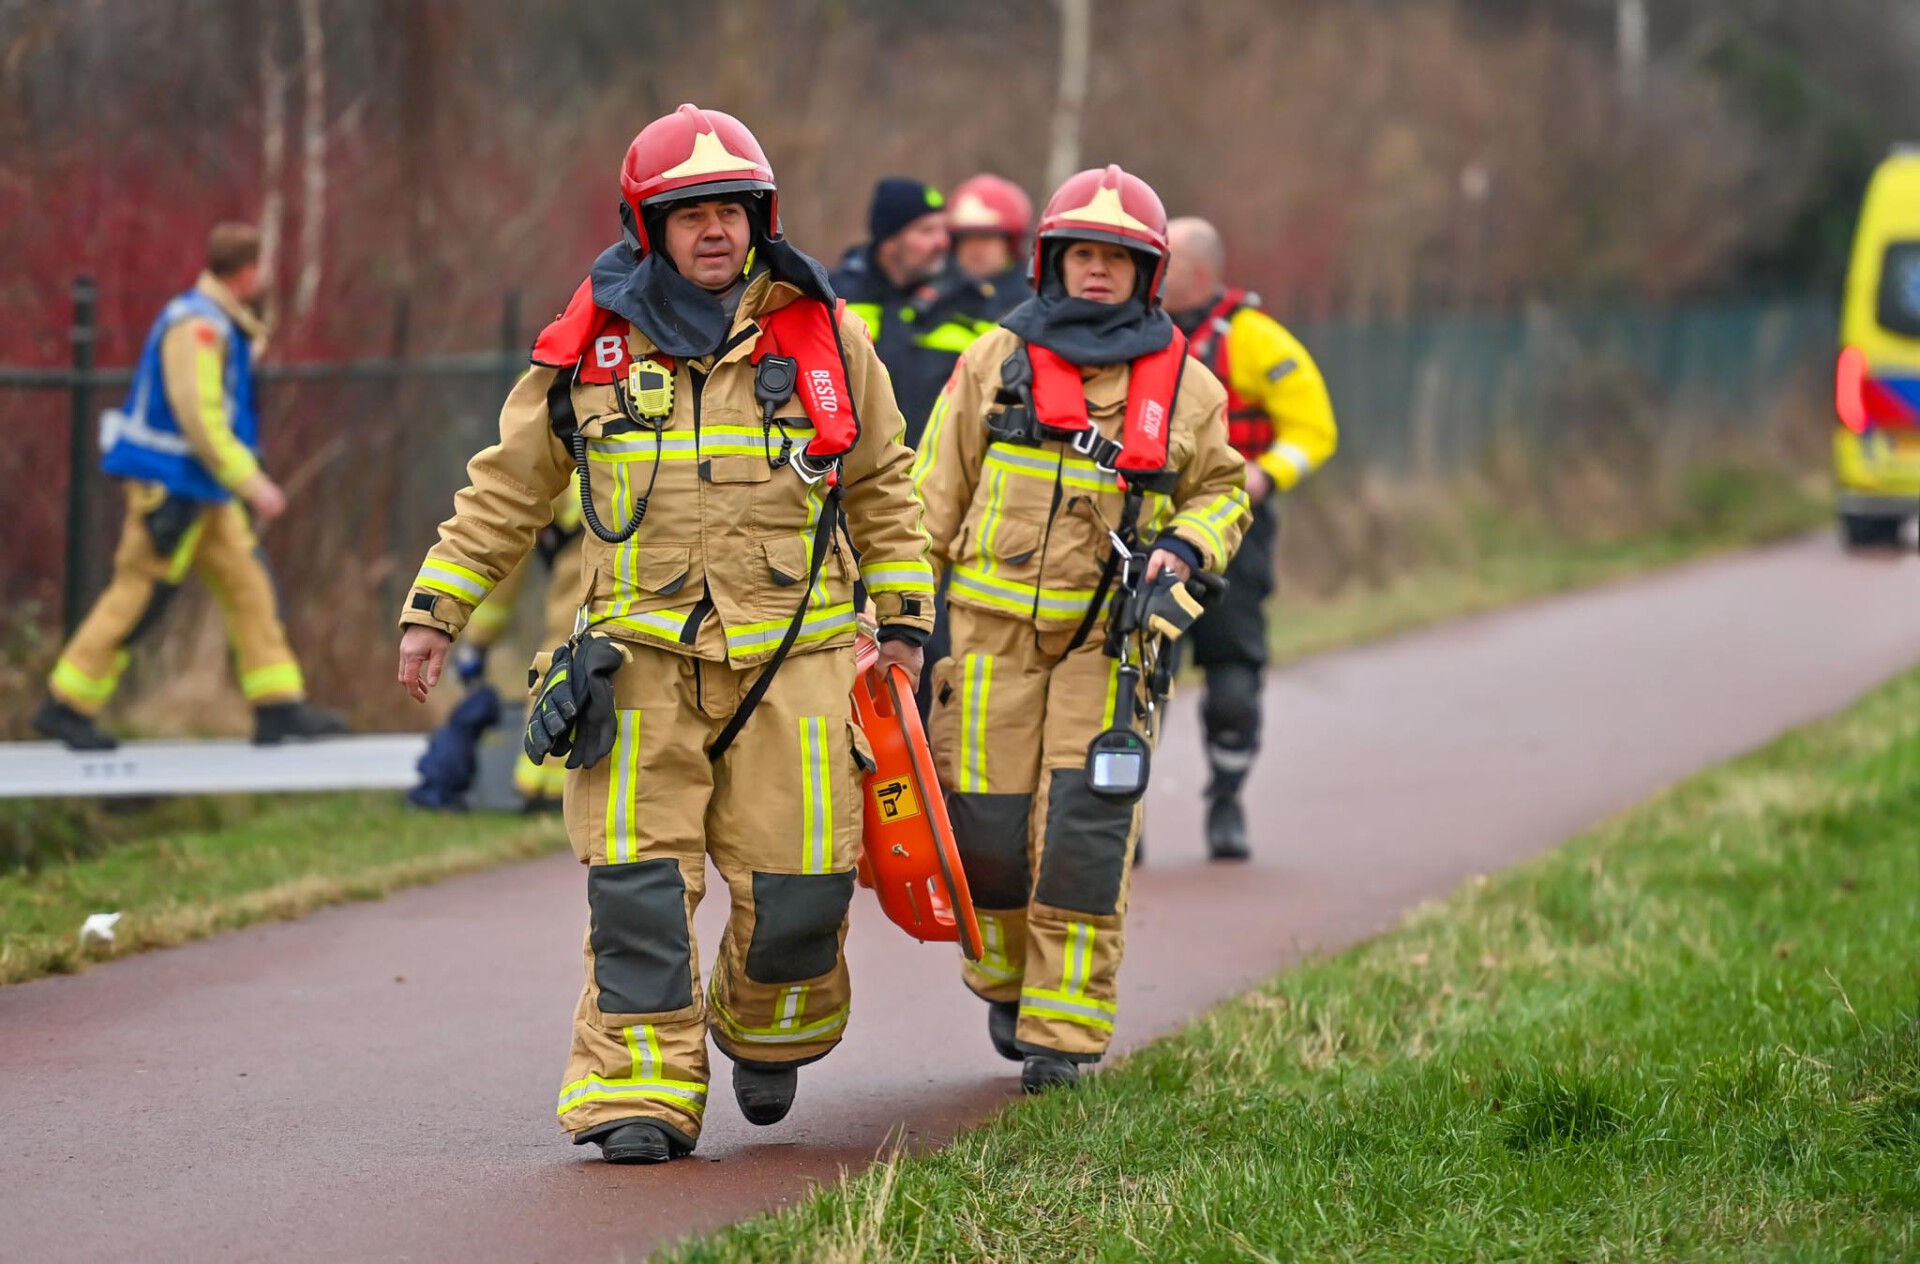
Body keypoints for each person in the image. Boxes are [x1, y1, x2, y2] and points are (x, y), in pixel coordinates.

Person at [394, 105, 935, 1165]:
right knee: (637, 890)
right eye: (691, 213)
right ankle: (636, 1089)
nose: (716, 230)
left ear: (759, 217)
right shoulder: (587, 347)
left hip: (801, 663)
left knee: (802, 892)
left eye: (732, 209)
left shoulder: (826, 335)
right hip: (637, 667)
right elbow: (506, 489)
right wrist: (435, 609)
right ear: (650, 224)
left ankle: (764, 1030)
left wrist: (908, 620)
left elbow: (883, 486)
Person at [913, 165, 1248, 1093]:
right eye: (1082, 255)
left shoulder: (1187, 387)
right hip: (986, 651)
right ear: (1051, 262)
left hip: (1110, 653)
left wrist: (1187, 547)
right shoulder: (993, 363)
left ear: (1147, 273)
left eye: (1117, 259)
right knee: (982, 834)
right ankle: (1009, 984)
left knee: (1084, 840)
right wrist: (894, 621)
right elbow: (927, 504)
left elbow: (1221, 492)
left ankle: (1063, 1034)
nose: (1097, 272)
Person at [32, 223, 347, 750]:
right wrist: (251, 482)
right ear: (245, 273)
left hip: (202, 490)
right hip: (173, 488)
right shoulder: (197, 326)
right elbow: (199, 417)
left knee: (250, 588)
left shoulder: (220, 322)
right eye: (261, 269)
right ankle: (66, 705)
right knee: (138, 594)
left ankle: (278, 705)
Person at [1160, 216, 1338, 861]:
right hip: (1150, 526)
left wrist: (1267, 476)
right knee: (1139, 673)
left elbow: (1314, 427)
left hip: (1237, 526)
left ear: (1202, 272)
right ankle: (1123, 821)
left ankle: (1226, 799)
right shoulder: (1132, 334)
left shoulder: (1255, 339)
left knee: (1232, 677)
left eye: (1167, 258)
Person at [407, 493, 583, 811]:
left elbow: (503, 565)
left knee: (567, 649)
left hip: (592, 570)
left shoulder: (553, 469)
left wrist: (478, 642)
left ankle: (546, 788)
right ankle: (551, 788)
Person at [829, 178, 983, 446]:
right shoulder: (833, 299)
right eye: (926, 231)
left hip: (933, 479)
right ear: (889, 242)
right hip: (850, 476)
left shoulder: (973, 304)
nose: (943, 242)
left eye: (944, 230)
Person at [946, 172, 1034, 310]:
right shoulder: (935, 299)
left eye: (985, 238)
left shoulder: (1032, 305)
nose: (975, 249)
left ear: (1010, 245)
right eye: (966, 239)